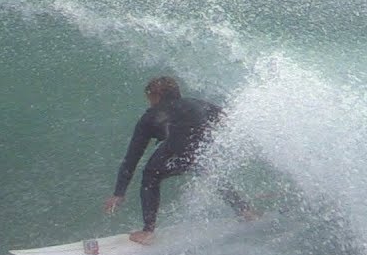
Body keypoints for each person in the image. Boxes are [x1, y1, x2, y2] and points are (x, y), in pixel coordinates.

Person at [104, 76, 257, 245]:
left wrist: (119, 192)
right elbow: (225, 119)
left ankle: (148, 231)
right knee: (209, 170)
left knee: (150, 176)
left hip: (178, 153)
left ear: (154, 97)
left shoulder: (150, 117)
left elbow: (133, 156)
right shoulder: (199, 103)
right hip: (201, 151)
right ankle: (245, 210)